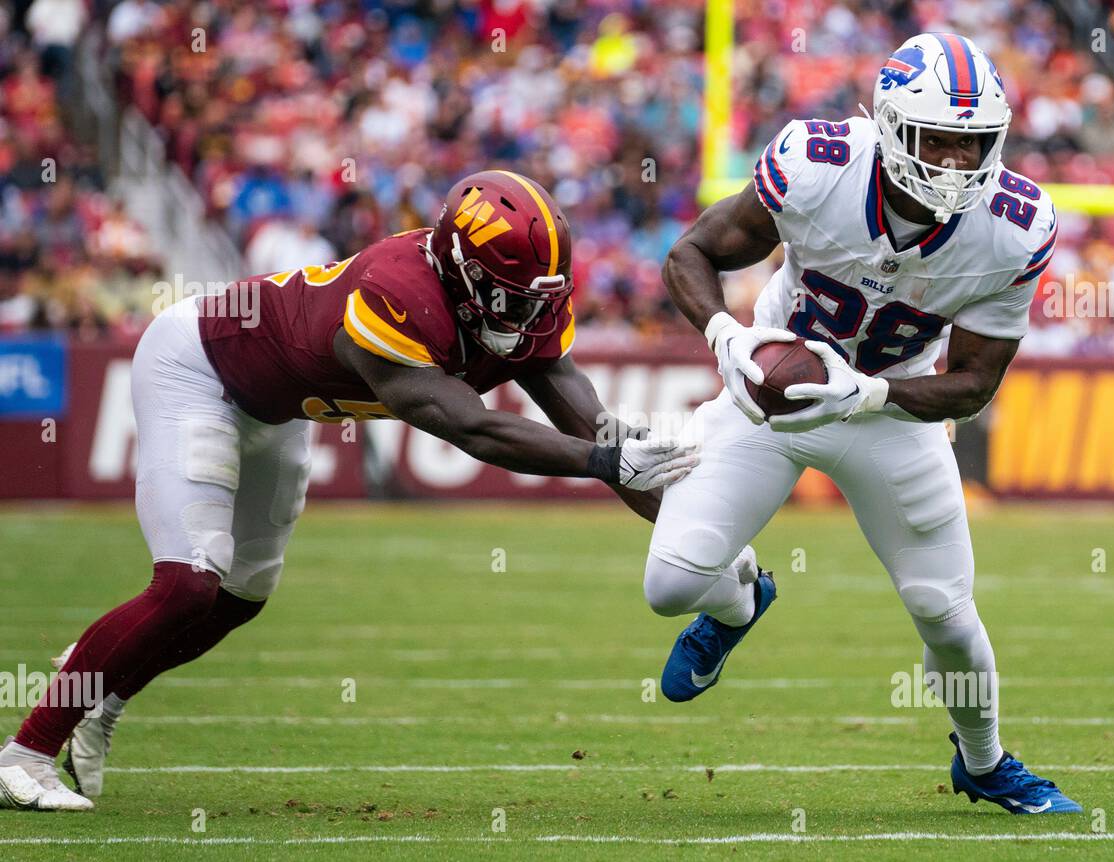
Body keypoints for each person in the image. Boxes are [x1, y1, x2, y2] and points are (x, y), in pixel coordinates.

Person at [0, 170, 699, 811]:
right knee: (188, 581)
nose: (523, 315)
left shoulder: (508, 302)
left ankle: (104, 691)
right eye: (508, 296)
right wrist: (607, 464)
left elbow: (597, 430)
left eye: (536, 297)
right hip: (200, 369)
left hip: (276, 409)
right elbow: (471, 429)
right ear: (459, 272)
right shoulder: (397, 293)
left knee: (241, 596)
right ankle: (24, 754)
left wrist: (697, 530)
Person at [643, 34, 1081, 814]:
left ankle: (983, 762)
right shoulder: (819, 163)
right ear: (889, 125)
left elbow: (974, 383)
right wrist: (729, 338)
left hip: (892, 414)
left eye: (972, 143)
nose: (954, 161)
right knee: (671, 583)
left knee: (943, 612)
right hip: (771, 393)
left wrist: (870, 395)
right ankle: (741, 600)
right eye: (937, 139)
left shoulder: (1014, 227)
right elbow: (692, 253)